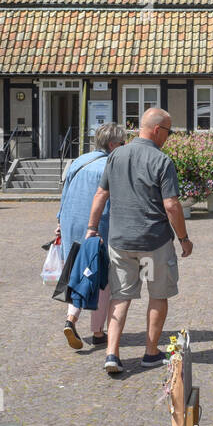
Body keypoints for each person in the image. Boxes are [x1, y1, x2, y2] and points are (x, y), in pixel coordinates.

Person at [85, 108, 192, 376]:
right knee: (157, 295)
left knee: (120, 297)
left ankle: (112, 353)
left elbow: (101, 193)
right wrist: (184, 239)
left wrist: (92, 228)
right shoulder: (162, 160)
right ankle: (150, 352)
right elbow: (172, 205)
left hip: (120, 242)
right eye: (168, 131)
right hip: (153, 244)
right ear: (157, 130)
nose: (169, 136)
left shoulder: (116, 156)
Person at [56, 122, 127, 350]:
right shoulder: (112, 164)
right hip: (98, 226)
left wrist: (59, 222)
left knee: (79, 273)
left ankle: (71, 319)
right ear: (113, 144)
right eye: (123, 143)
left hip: (71, 223)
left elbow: (64, 194)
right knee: (102, 279)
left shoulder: (78, 161)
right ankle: (97, 332)